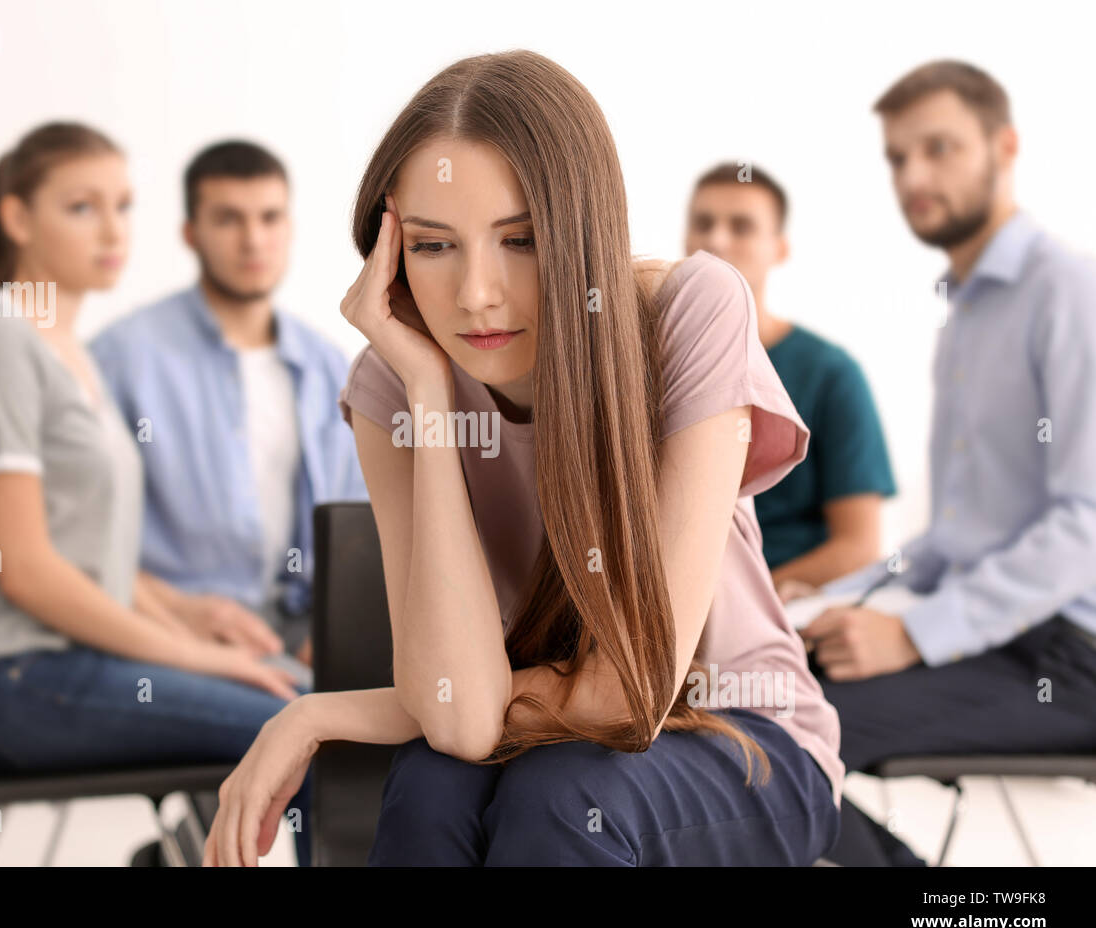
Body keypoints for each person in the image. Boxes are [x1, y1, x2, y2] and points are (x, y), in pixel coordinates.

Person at [202, 50, 843, 867]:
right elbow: (463, 722)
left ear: (580, 235)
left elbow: (629, 701)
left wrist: (323, 713)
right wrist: (430, 393)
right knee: (431, 786)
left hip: (745, 733)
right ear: (391, 255)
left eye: (521, 239)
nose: (477, 293)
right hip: (537, 738)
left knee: (564, 797)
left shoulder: (691, 310)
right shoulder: (392, 386)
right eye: (434, 246)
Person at [0, 123, 311, 865]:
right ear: (17, 218)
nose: (113, 230)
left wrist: (191, 614)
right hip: (11, 678)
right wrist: (192, 657)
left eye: (125, 206)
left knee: (314, 697)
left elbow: (83, 552)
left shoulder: (68, 351)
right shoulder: (1, 338)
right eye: (82, 207)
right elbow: (26, 568)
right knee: (302, 724)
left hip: (59, 666)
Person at [799, 61, 1096, 866]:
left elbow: (1086, 525)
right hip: (996, 633)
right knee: (755, 695)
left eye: (939, 148)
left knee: (781, 733)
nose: (915, 176)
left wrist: (916, 633)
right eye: (898, 157)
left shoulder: (1067, 290)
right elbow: (951, 540)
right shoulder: (963, 319)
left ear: (1005, 146)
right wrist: (829, 603)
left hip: (1069, 656)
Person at [89, 141, 367, 665]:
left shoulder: (330, 365)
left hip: (309, 629)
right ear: (190, 234)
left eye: (269, 217)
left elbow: (368, 519)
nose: (253, 240)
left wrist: (341, 625)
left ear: (290, 227)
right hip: (174, 627)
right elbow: (76, 535)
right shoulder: (123, 358)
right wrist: (173, 612)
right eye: (228, 220)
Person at [685, 163, 897, 603]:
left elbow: (858, 547)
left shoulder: (832, 374)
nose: (717, 240)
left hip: (776, 609)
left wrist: (749, 604)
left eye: (741, 226)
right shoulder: (644, 365)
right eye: (703, 223)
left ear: (779, 248)